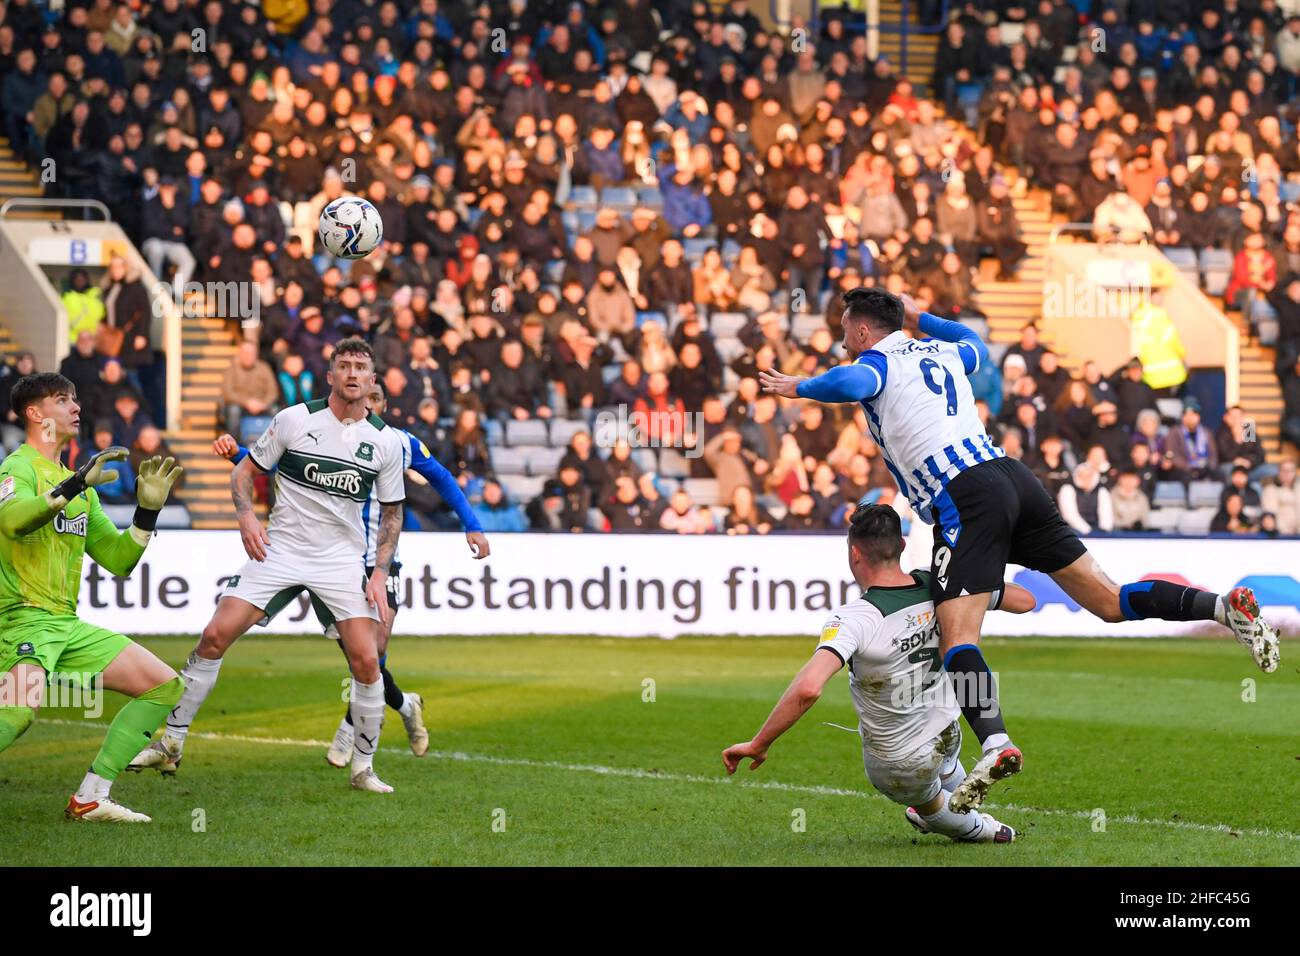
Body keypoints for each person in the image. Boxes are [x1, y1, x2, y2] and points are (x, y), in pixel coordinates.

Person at [760, 288, 1281, 812]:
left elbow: (855, 380)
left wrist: (798, 386)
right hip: (1014, 478)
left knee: (957, 638)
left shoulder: (876, 362)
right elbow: (974, 342)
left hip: (964, 495)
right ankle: (1221, 606)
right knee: (1108, 600)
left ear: (864, 329)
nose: (845, 338)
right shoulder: (942, 351)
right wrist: (922, 315)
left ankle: (995, 744)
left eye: (848, 327)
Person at [128, 339, 409, 794]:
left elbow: (392, 513)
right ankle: (172, 743)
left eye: (361, 367)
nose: (353, 373)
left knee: (367, 661)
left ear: (373, 381)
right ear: (331, 376)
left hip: (339, 562)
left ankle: (363, 768)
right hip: (279, 551)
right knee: (214, 635)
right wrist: (245, 518)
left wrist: (379, 572)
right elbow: (244, 473)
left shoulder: (385, 443)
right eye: (344, 365)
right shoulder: (294, 419)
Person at [211, 382, 489, 768]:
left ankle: (349, 728)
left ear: (382, 405)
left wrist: (471, 525)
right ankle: (405, 705)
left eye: (372, 401)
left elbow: (441, 477)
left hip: (379, 562)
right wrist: (237, 456)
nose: (363, 407)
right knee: (360, 655)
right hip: (331, 557)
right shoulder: (323, 435)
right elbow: (279, 465)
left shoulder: (397, 443)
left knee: (374, 649)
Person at [722, 504, 1033, 844]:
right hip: (948, 730)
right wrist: (970, 580)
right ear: (901, 545)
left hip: (898, 761)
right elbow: (1025, 601)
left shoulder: (854, 619)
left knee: (928, 805)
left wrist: (759, 743)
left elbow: (808, 688)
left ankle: (983, 829)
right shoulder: (938, 586)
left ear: (854, 554)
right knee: (944, 768)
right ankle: (950, 793)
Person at [0, 372, 183, 823]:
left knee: (163, 684)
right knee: (18, 714)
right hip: (23, 620)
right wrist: (73, 487)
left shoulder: (79, 485)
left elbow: (119, 560)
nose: (76, 408)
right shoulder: (17, 468)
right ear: (34, 413)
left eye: (75, 399)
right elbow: (13, 521)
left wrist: (147, 510)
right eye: (63, 400)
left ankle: (90, 797)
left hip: (65, 625)